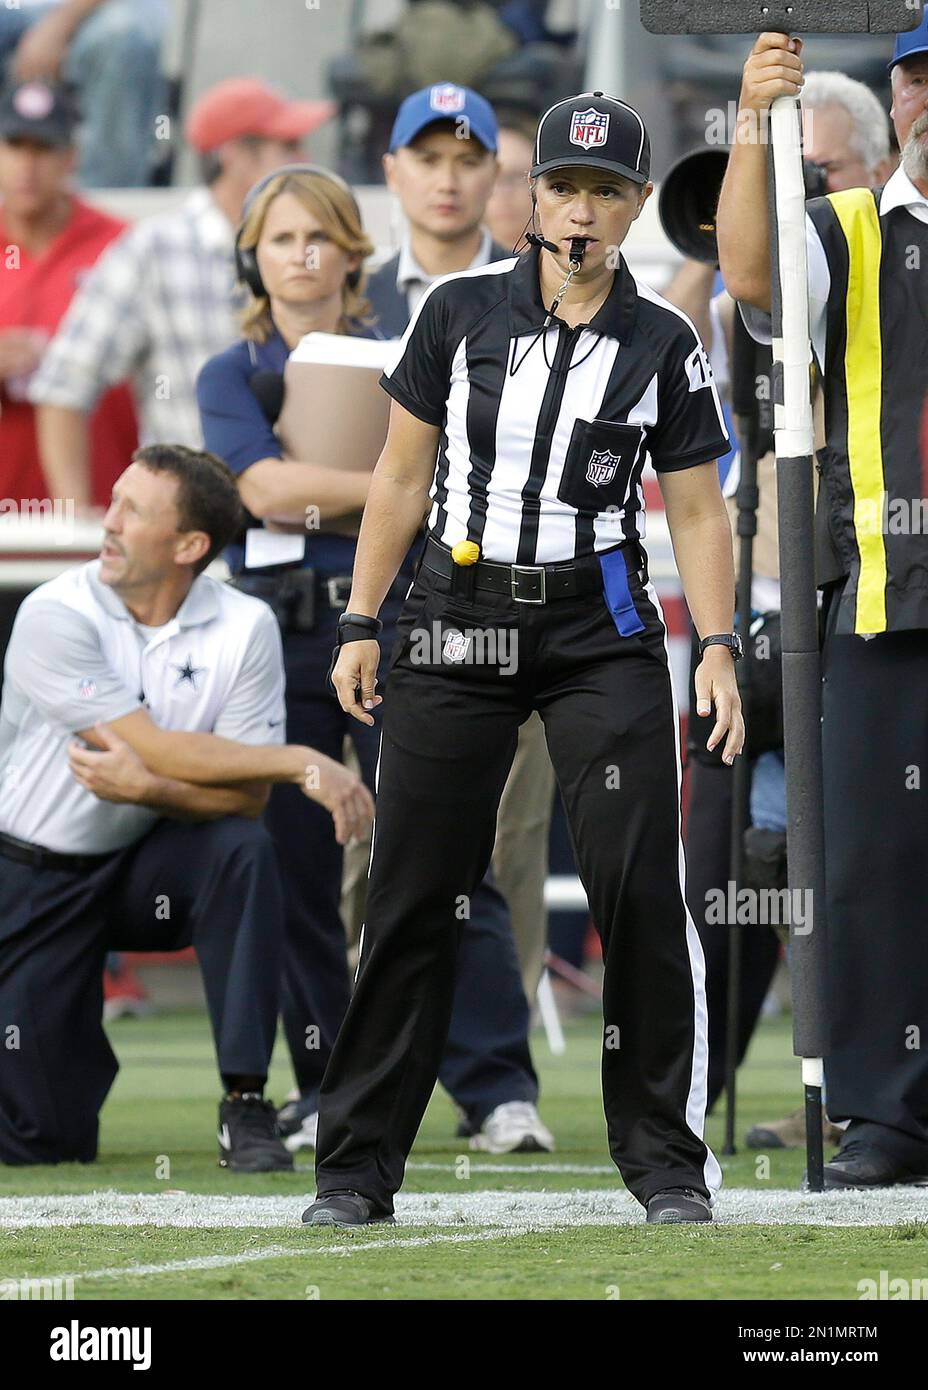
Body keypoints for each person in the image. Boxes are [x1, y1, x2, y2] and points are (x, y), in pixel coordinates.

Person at [302, 89, 744, 1230]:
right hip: (453, 617)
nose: (583, 210)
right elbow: (400, 477)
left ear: (637, 205)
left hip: (599, 631)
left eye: (607, 190)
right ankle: (355, 1169)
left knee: (639, 884)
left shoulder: (662, 340)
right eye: (565, 186)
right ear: (531, 197)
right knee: (413, 889)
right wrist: (360, 620)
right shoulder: (455, 313)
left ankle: (663, 1164)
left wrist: (720, 645)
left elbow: (696, 511)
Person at [197, 159, 552, 1159]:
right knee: (298, 860)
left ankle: (495, 1089)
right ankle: (329, 1083)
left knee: (446, 844)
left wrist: (389, 485)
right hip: (277, 626)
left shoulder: (409, 346)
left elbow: (450, 474)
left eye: (320, 236)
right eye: (280, 238)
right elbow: (262, 491)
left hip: (401, 613)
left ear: (354, 252)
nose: (301, 255)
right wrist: (394, 479)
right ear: (252, 257)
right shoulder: (231, 370)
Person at [0, 443, 373, 1170]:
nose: (107, 522)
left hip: (147, 861)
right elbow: (157, 749)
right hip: (31, 876)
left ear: (190, 546)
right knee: (42, 1139)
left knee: (244, 852)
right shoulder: (54, 613)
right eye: (113, 501)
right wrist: (305, 761)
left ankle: (245, 1102)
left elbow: (243, 798)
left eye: (132, 510)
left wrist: (152, 793)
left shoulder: (245, 625)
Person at [665, 69, 895, 1150]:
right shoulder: (781, 266)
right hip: (794, 605)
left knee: (846, 853)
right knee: (763, 867)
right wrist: (753, 137)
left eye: (819, 169)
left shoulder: (872, 243)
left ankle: (856, 1089)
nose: (799, 190)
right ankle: (706, 1097)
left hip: (848, 590)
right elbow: (743, 282)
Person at [717, 23, 928, 1189]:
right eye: (916, 77)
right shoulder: (846, 230)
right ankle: (889, 1117)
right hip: (891, 588)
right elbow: (749, 274)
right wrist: (755, 118)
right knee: (873, 864)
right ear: (896, 97)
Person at [367, 83, 558, 1006]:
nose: (447, 181)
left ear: (500, 176)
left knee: (507, 841)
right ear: (392, 169)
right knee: (368, 841)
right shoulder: (348, 300)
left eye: (467, 159)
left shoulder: (552, 295)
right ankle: (349, 1061)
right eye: (428, 158)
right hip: (376, 599)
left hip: (513, 605)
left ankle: (501, 1076)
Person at [28, 77, 331, 507]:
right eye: (288, 146)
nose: (304, 159)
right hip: (189, 527)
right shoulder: (154, 248)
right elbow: (63, 385)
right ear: (234, 154)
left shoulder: (324, 246)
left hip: (308, 524)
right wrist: (75, 524)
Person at [0, 78, 136, 509]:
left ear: (71, 158)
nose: (28, 165)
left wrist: (68, 358)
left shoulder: (121, 244)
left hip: (102, 510)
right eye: (15, 146)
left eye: (43, 149)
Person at [0, 0, 167, 188]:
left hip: (110, 11)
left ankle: (109, 198)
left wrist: (59, 24)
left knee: (122, 41)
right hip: (16, 12)